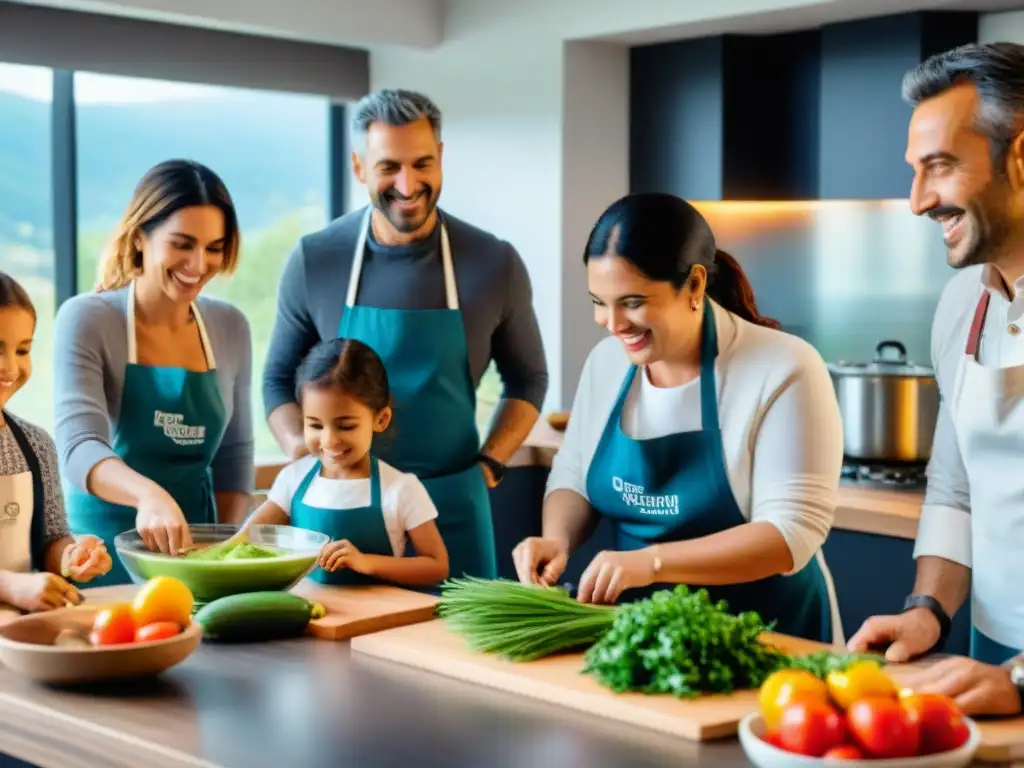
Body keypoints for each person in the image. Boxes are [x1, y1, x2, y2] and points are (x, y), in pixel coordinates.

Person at [512, 192, 845, 644]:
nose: (612, 323)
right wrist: (558, 540)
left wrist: (650, 563)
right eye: (599, 301)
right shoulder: (607, 363)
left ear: (694, 285)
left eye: (632, 302)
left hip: (768, 637)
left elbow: (790, 535)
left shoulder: (783, 367)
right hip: (647, 638)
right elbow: (574, 474)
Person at [262, 89, 548, 581]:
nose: (408, 184)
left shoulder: (493, 262)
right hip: (346, 514)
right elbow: (276, 380)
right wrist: (306, 456)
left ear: (441, 156)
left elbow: (528, 378)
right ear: (358, 166)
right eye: (388, 167)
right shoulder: (317, 259)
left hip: (453, 506)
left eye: (422, 164)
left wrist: (490, 463)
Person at [848, 42, 1024, 716]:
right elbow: (955, 488)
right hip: (992, 645)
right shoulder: (960, 305)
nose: (919, 200)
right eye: (915, 171)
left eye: (941, 167)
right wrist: (928, 609)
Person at [52, 160, 254, 586]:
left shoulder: (230, 326)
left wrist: (223, 549)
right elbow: (78, 448)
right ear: (140, 237)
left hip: (197, 559)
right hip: (101, 556)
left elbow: (234, 458)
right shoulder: (87, 318)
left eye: (214, 248)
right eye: (182, 244)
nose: (199, 264)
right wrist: (149, 495)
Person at [245, 338, 448, 587]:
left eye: (346, 426)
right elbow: (246, 538)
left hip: (378, 610)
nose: (329, 441)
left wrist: (365, 562)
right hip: (307, 609)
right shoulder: (293, 479)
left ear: (381, 419)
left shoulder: (401, 489)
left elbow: (436, 566)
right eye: (315, 425)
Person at [0, 271, 111, 610]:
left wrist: (71, 555)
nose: (10, 367)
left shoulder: (35, 444)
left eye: (22, 350)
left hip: (23, 629)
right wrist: (10, 586)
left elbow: (51, 539)